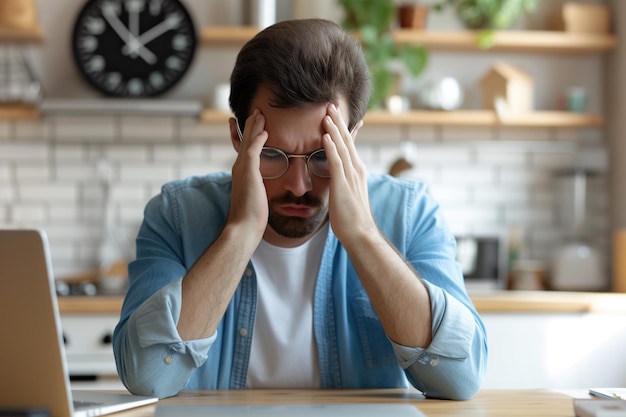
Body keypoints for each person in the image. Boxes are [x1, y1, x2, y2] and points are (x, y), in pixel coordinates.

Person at [113, 18, 487, 400]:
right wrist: (240, 233)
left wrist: (363, 237)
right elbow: (147, 376)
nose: (298, 184)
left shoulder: (410, 214)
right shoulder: (176, 215)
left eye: (323, 156)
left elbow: (459, 377)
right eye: (272, 154)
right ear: (237, 138)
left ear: (352, 138)